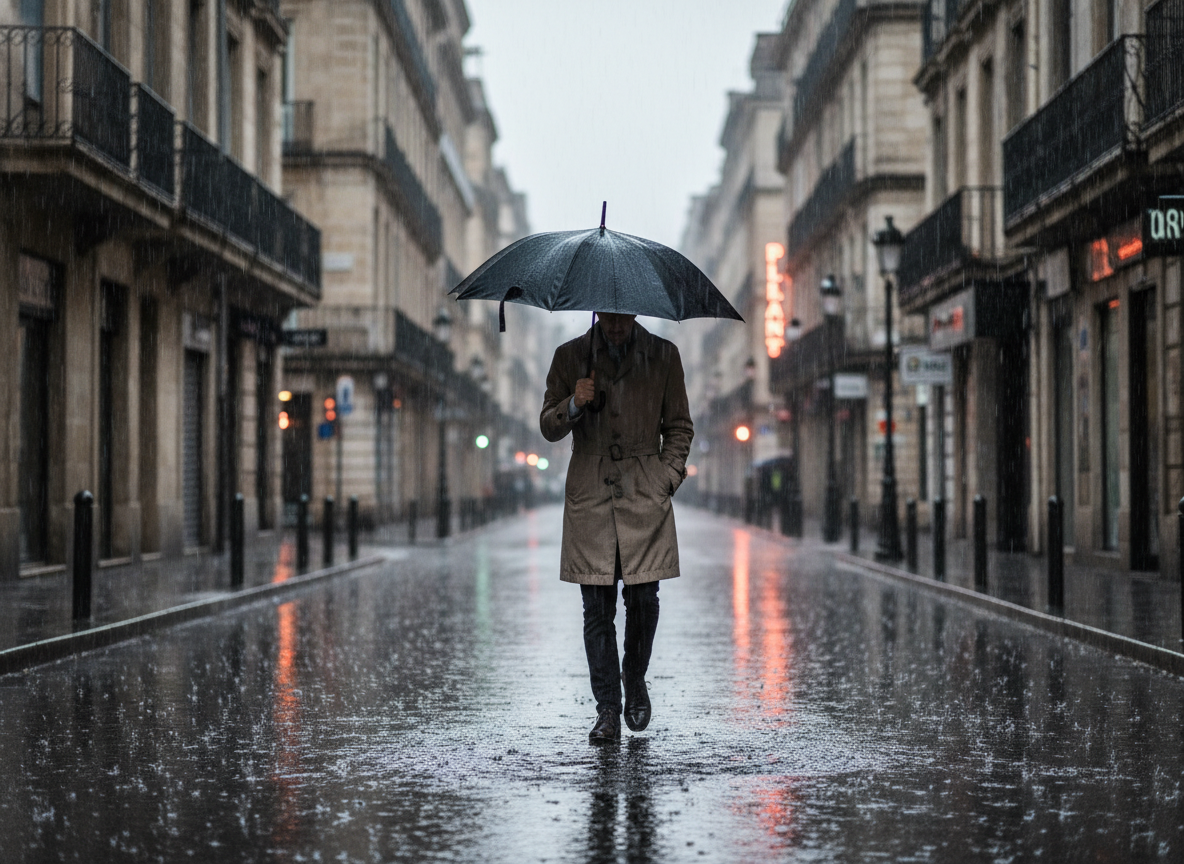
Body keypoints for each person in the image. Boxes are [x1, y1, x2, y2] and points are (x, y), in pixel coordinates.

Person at [540, 312, 693, 743]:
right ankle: (607, 707)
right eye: (608, 318)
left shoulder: (663, 355)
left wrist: (666, 478)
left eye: (623, 318)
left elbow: (679, 426)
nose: (616, 326)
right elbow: (548, 424)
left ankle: (635, 675)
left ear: (634, 311)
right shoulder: (569, 356)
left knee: (645, 599)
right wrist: (574, 403)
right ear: (598, 312)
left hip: (644, 490)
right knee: (597, 606)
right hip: (591, 493)